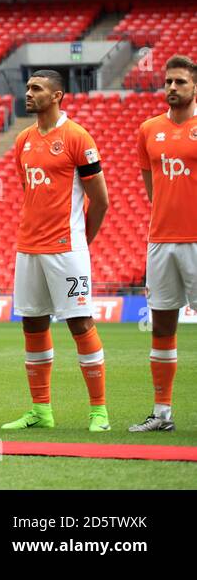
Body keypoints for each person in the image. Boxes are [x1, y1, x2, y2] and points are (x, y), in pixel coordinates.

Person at [2, 71, 111, 433]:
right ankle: (40, 410)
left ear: (58, 95)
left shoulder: (77, 137)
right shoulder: (23, 140)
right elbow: (29, 190)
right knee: (33, 324)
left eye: (37, 89)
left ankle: (99, 412)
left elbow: (100, 200)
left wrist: (81, 241)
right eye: (28, 87)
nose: (28, 93)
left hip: (66, 249)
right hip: (28, 247)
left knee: (80, 324)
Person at [130, 55, 197, 432]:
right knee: (161, 326)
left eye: (180, 82)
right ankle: (162, 413)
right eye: (168, 82)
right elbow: (151, 185)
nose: (172, 88)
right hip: (161, 241)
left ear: (194, 87)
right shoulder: (148, 129)